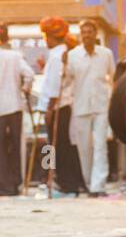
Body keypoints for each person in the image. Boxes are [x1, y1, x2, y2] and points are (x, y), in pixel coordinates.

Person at [35, 17, 85, 195]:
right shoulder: (60, 54)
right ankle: (59, 181)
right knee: (58, 147)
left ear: (50, 36)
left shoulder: (58, 55)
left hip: (57, 108)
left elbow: (56, 86)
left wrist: (49, 109)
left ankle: (64, 183)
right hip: (59, 106)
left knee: (57, 147)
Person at [64, 20, 115, 195]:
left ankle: (98, 185)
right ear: (80, 35)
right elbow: (66, 81)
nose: (87, 35)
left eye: (90, 32)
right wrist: (63, 67)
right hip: (80, 107)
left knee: (101, 146)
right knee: (84, 148)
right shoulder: (72, 56)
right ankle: (88, 183)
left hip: (101, 106)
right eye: (84, 32)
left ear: (95, 34)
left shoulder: (106, 54)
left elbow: (113, 78)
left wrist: (113, 100)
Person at [0, 25, 35, 195]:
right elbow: (29, 74)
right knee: (14, 147)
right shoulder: (15, 56)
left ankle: (3, 185)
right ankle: (14, 184)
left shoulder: (14, 56)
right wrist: (25, 87)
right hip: (14, 107)